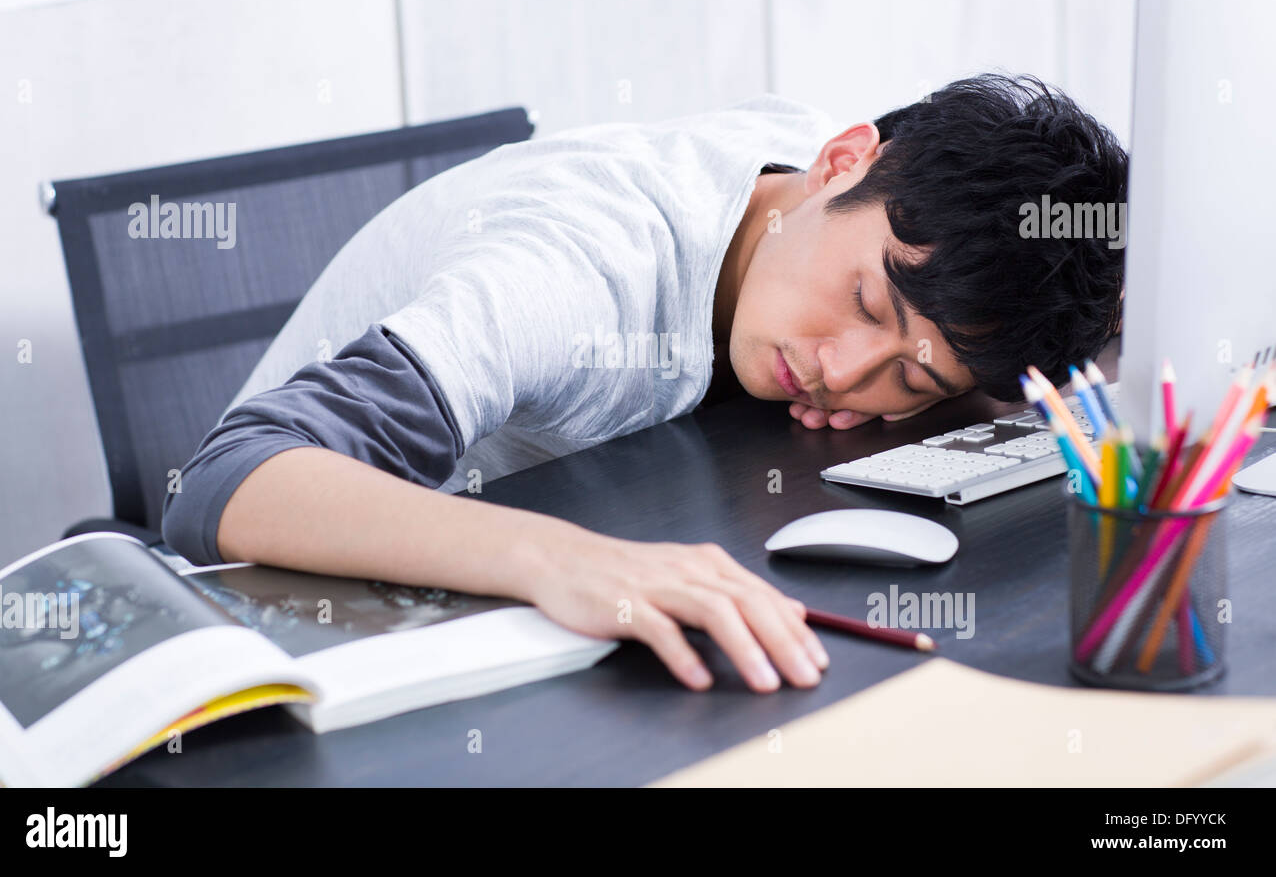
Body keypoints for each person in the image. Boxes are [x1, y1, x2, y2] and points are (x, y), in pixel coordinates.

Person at [163, 74, 1127, 694]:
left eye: (913, 375)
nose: (842, 372)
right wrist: (566, 561)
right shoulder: (567, 273)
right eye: (867, 306)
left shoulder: (826, 190)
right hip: (294, 624)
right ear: (842, 161)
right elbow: (224, 482)